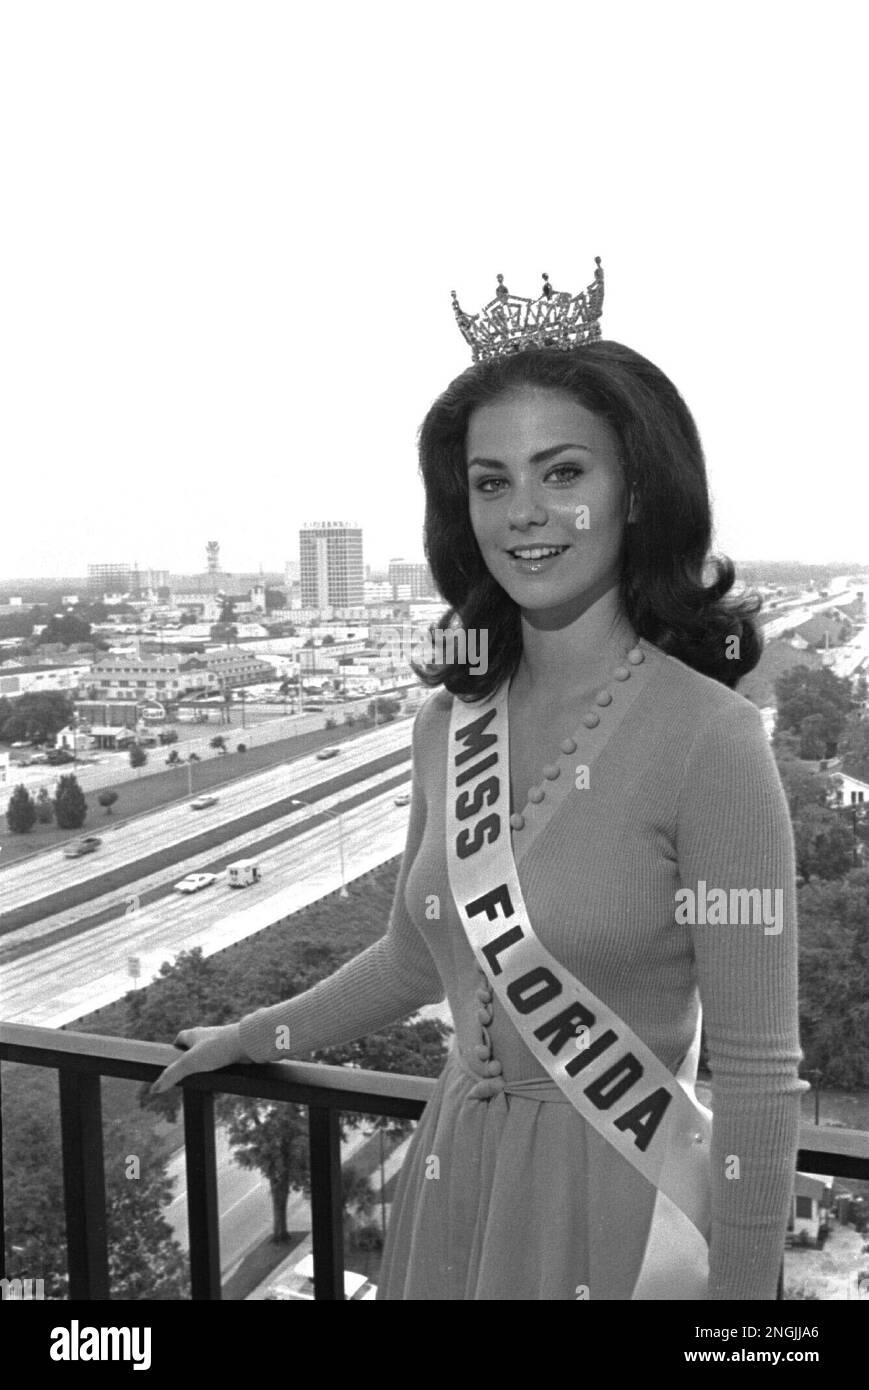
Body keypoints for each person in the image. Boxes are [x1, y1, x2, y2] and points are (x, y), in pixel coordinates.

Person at [152, 267, 807, 1301]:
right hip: (457, 1174)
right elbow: (414, 957)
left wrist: (743, 1321)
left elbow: (760, 1080)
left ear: (635, 492)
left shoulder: (711, 741)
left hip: (615, 1201)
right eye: (490, 481)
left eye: (562, 472)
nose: (525, 514)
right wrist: (248, 1035)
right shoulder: (443, 726)